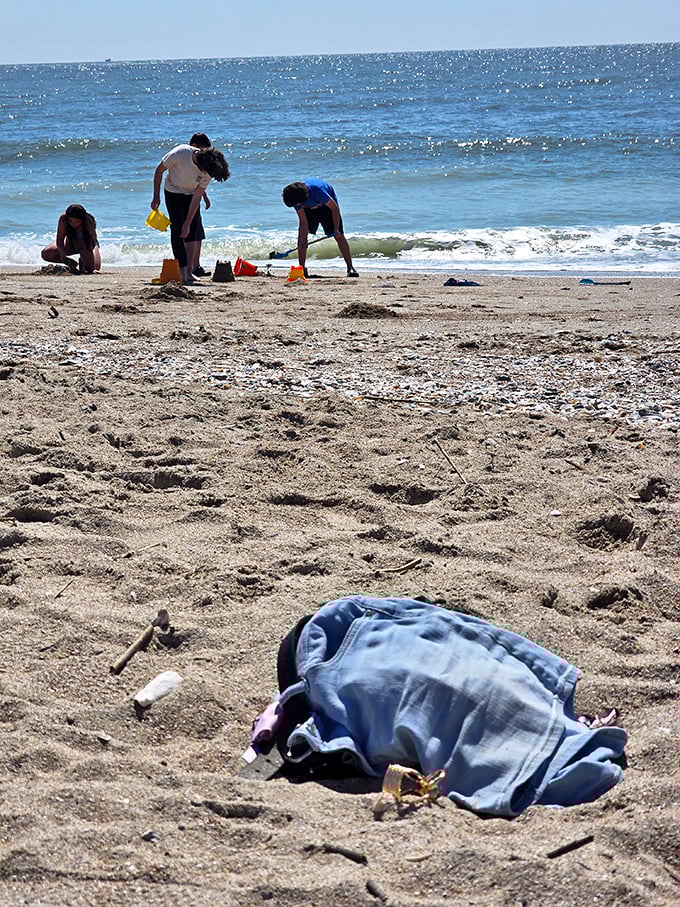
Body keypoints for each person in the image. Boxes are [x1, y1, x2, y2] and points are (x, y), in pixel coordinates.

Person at [151, 142, 229, 284]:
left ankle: (189, 272)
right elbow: (159, 171)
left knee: (192, 231)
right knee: (178, 231)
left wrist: (188, 223)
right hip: (173, 191)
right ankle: (181, 271)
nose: (206, 175)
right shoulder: (180, 153)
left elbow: (197, 196)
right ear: (200, 163)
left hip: (191, 194)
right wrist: (156, 196)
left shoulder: (209, 170)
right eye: (205, 172)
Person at [282, 179, 358, 277]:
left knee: (339, 236)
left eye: (298, 204)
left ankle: (350, 267)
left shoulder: (318, 191)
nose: (297, 206)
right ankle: (301, 268)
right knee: (302, 237)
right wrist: (303, 240)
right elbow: (303, 222)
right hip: (310, 208)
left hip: (327, 207)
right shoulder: (293, 198)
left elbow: (334, 209)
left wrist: (335, 229)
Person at [41, 204, 101, 274]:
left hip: (88, 244)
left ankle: (82, 262)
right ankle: (73, 264)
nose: (73, 224)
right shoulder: (63, 219)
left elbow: (89, 243)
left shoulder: (89, 221)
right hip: (71, 242)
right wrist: (62, 253)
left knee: (93, 269)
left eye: (77, 221)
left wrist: (91, 267)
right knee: (46, 254)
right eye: (71, 221)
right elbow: (60, 239)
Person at [188, 132, 212, 278]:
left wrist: (205, 197)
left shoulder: (200, 161)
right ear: (195, 146)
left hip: (196, 196)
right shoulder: (188, 159)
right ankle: (190, 266)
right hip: (184, 198)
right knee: (190, 232)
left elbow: (199, 184)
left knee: (198, 233)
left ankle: (196, 265)